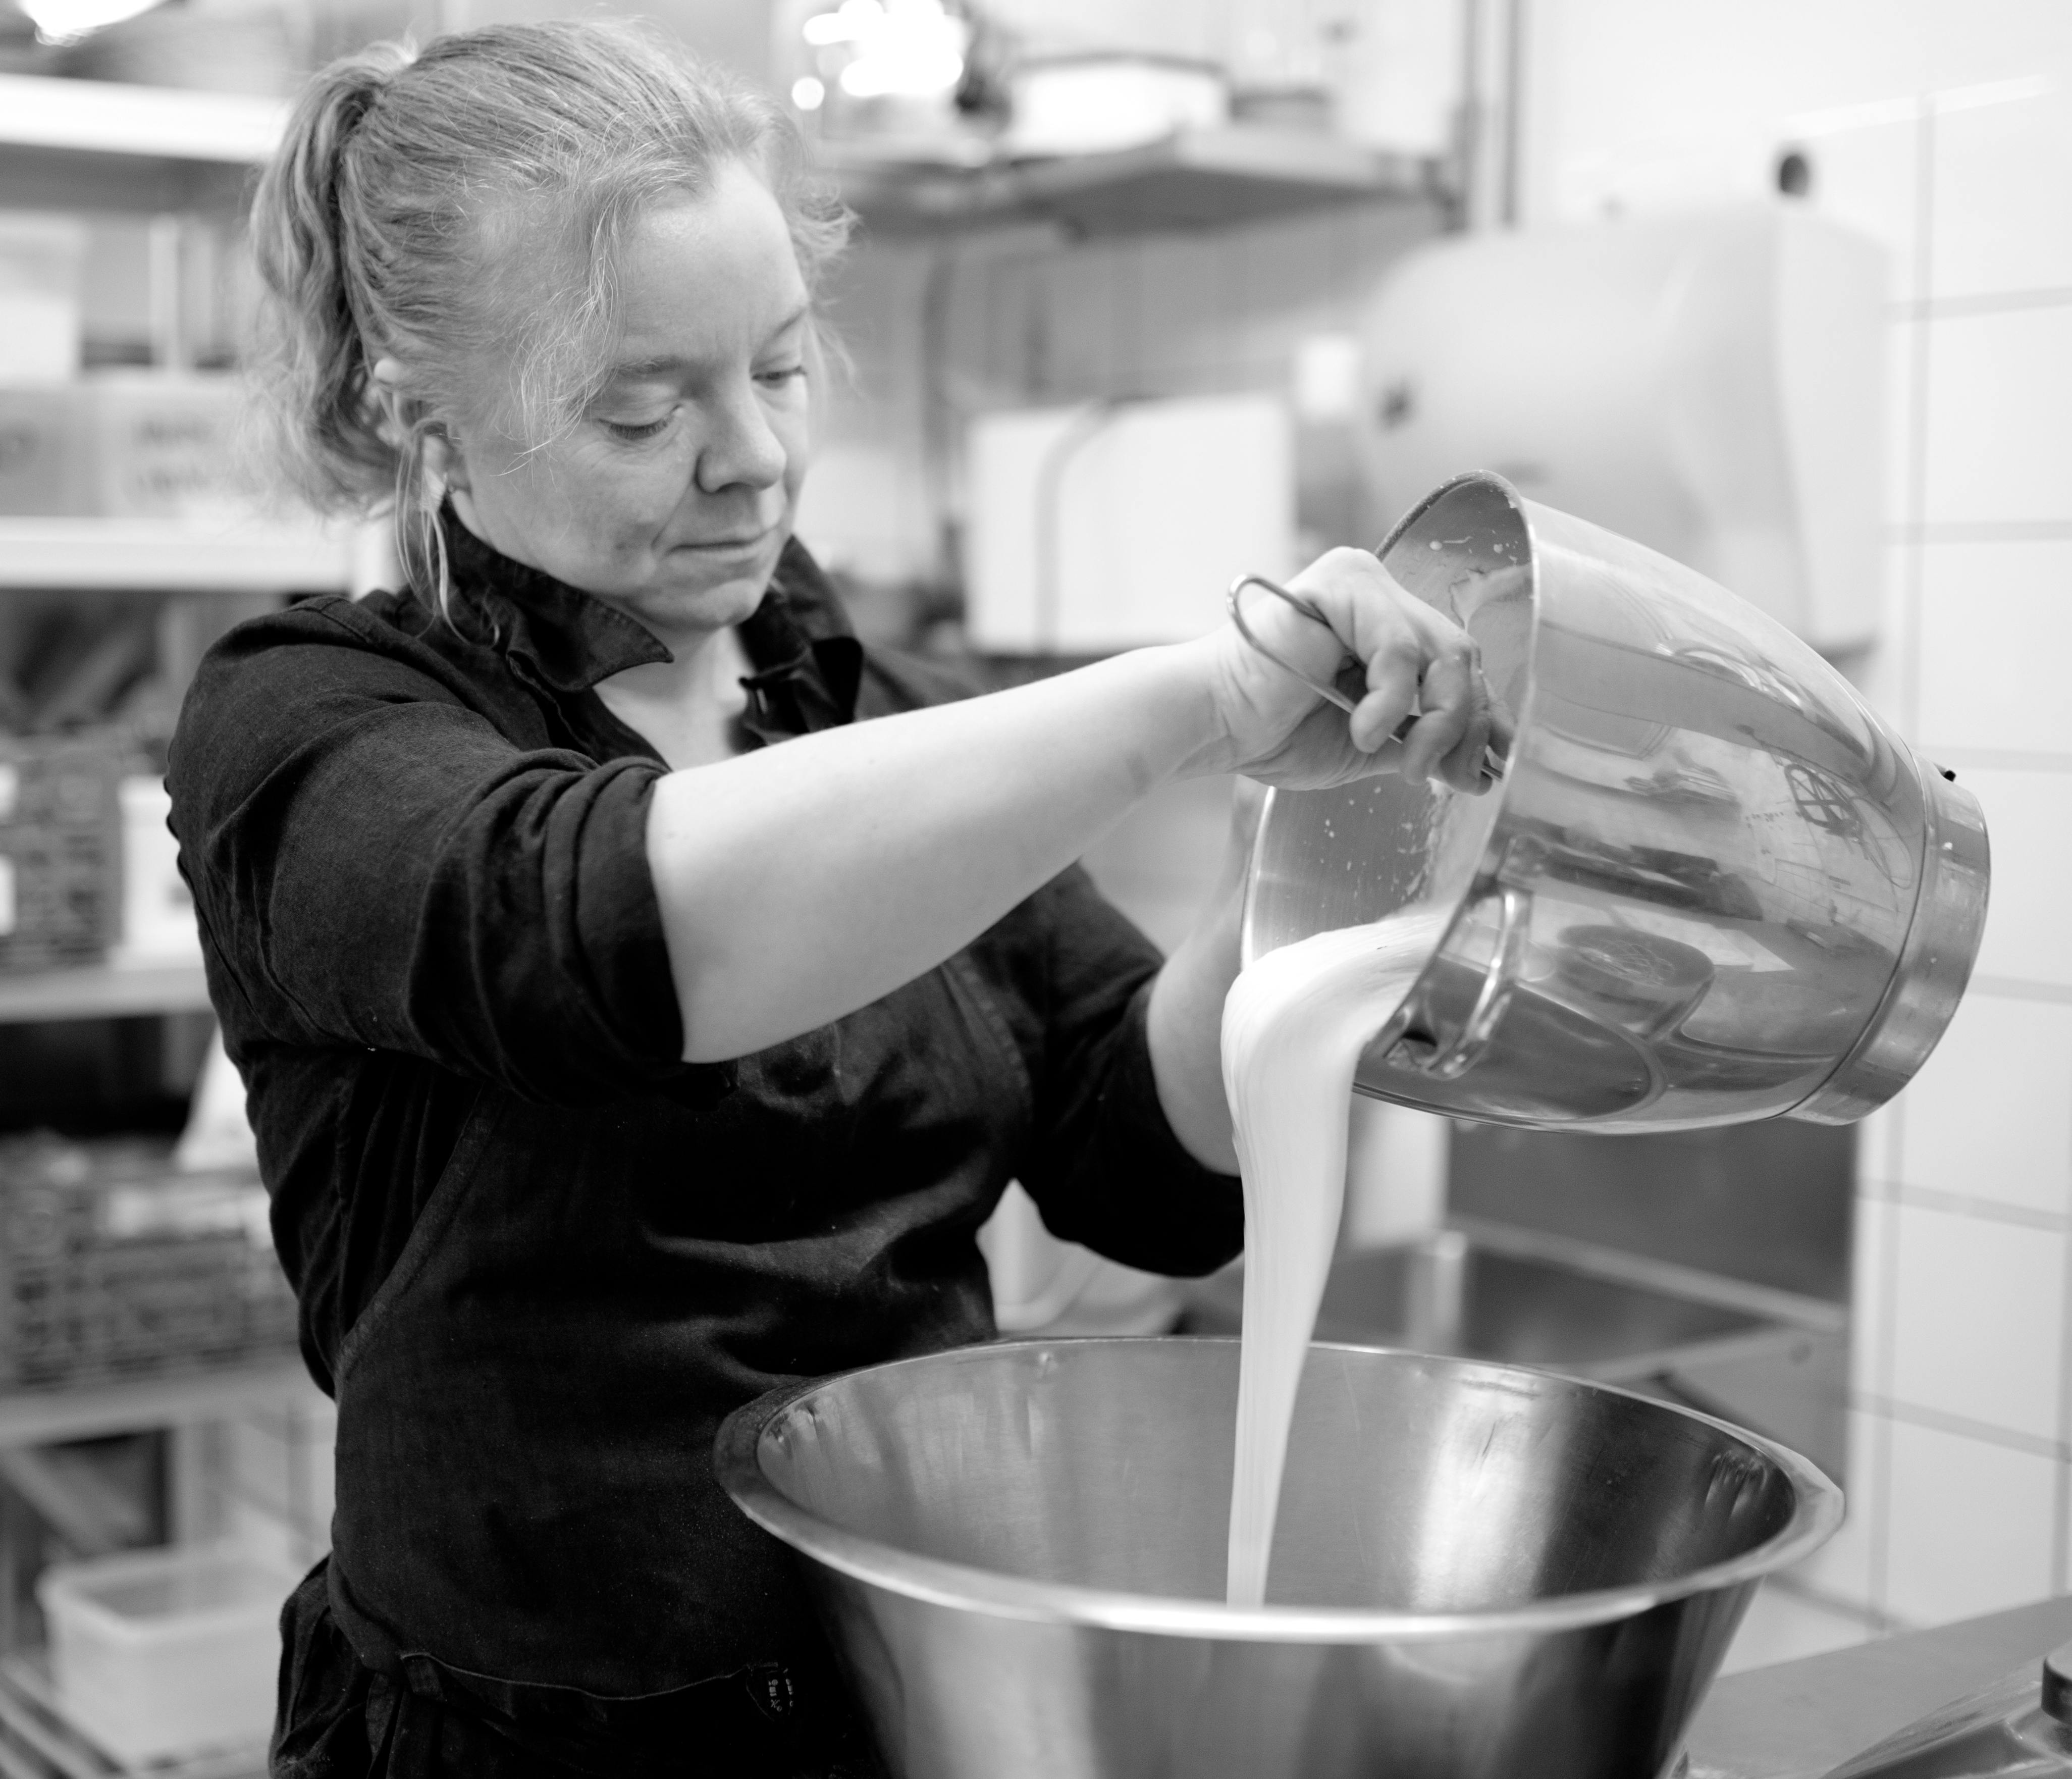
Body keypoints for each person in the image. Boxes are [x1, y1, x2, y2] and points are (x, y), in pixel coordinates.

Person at [167, 20, 1501, 1777]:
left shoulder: (873, 721)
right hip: (515, 1741)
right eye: (643, 405)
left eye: (779, 370)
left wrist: (1320, 864)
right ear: (432, 421)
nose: (751, 458)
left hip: (911, 1709)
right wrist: (1193, 691)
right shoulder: (312, 730)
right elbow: (615, 935)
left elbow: (1139, 1144)